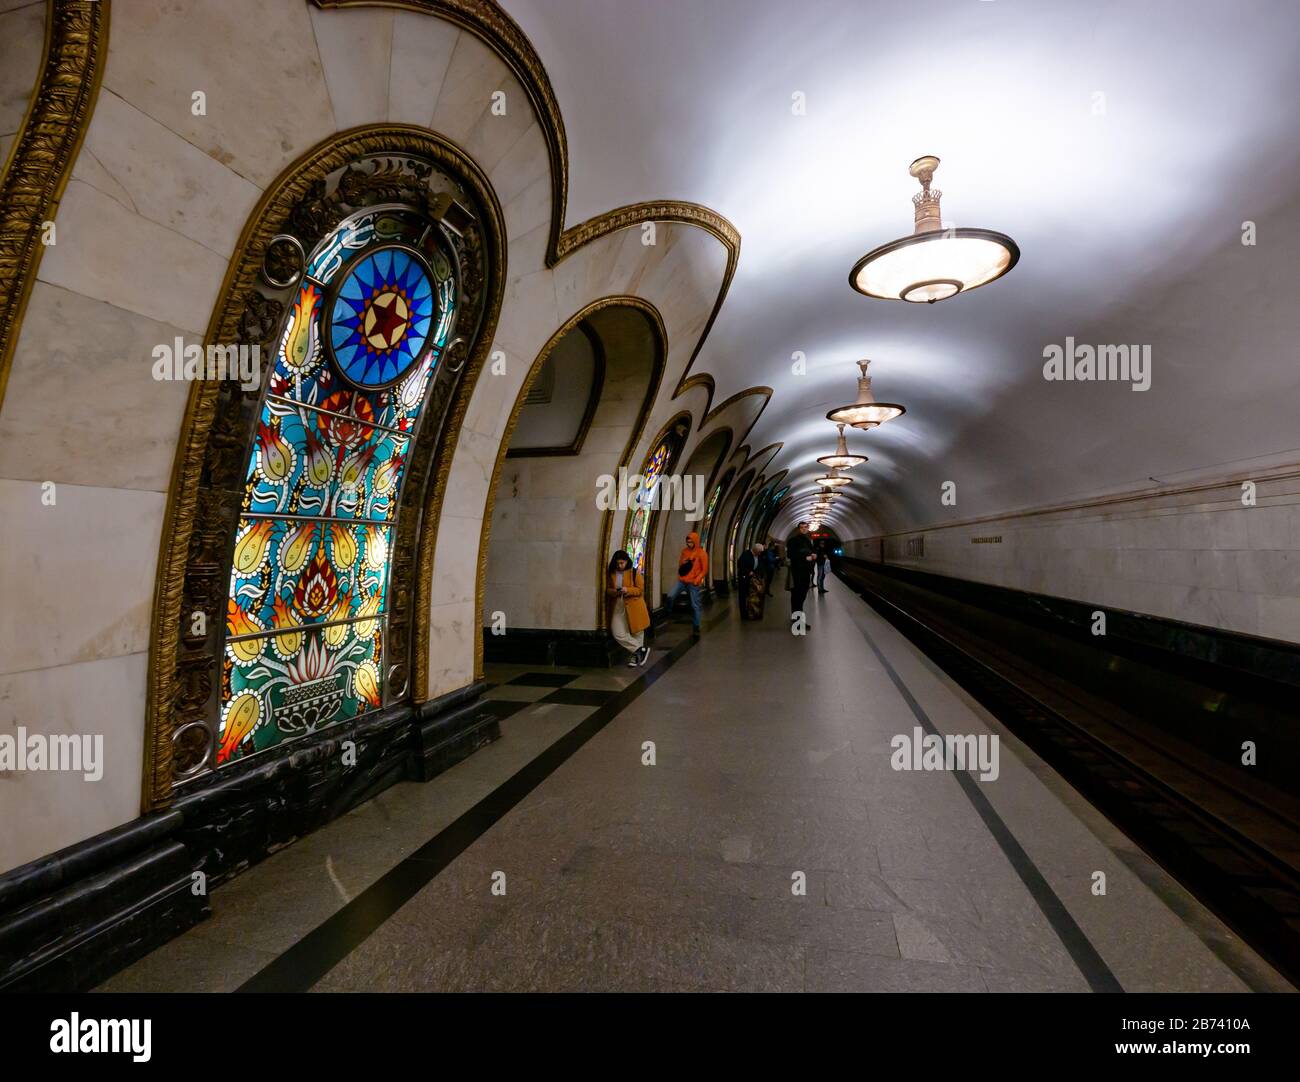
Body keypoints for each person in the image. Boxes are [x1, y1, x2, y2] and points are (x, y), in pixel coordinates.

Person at [606, 549, 650, 666]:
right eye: (618, 563)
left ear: (627, 561)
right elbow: (608, 589)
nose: (620, 565)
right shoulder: (612, 573)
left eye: (622, 563)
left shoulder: (634, 572)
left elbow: (640, 590)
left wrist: (627, 590)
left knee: (637, 631)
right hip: (618, 604)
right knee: (618, 632)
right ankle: (640, 650)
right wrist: (614, 592)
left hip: (634, 605)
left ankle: (635, 658)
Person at [663, 530, 708, 636]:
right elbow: (680, 565)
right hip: (682, 581)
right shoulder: (684, 551)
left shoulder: (702, 553)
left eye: (691, 542)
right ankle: (667, 612)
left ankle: (696, 626)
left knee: (695, 605)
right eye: (687, 542)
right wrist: (682, 568)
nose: (689, 544)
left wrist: (697, 580)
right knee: (670, 596)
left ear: (695, 541)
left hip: (693, 583)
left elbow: (704, 570)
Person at [787, 521, 816, 626]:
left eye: (805, 527)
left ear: (808, 528)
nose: (804, 529)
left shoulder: (808, 541)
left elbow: (810, 552)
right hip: (797, 572)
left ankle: (796, 618)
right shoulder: (793, 541)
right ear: (798, 529)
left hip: (806, 572)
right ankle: (798, 622)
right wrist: (805, 558)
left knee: (802, 596)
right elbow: (790, 555)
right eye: (801, 527)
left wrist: (813, 555)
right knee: (798, 596)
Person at [737, 542, 766, 620]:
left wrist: (761, 575)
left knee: (752, 596)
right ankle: (744, 614)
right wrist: (748, 572)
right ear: (755, 550)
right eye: (759, 552)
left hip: (753, 580)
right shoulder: (746, 555)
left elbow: (760, 565)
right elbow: (740, 565)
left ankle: (752, 612)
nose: (760, 553)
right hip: (744, 579)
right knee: (743, 596)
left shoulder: (758, 556)